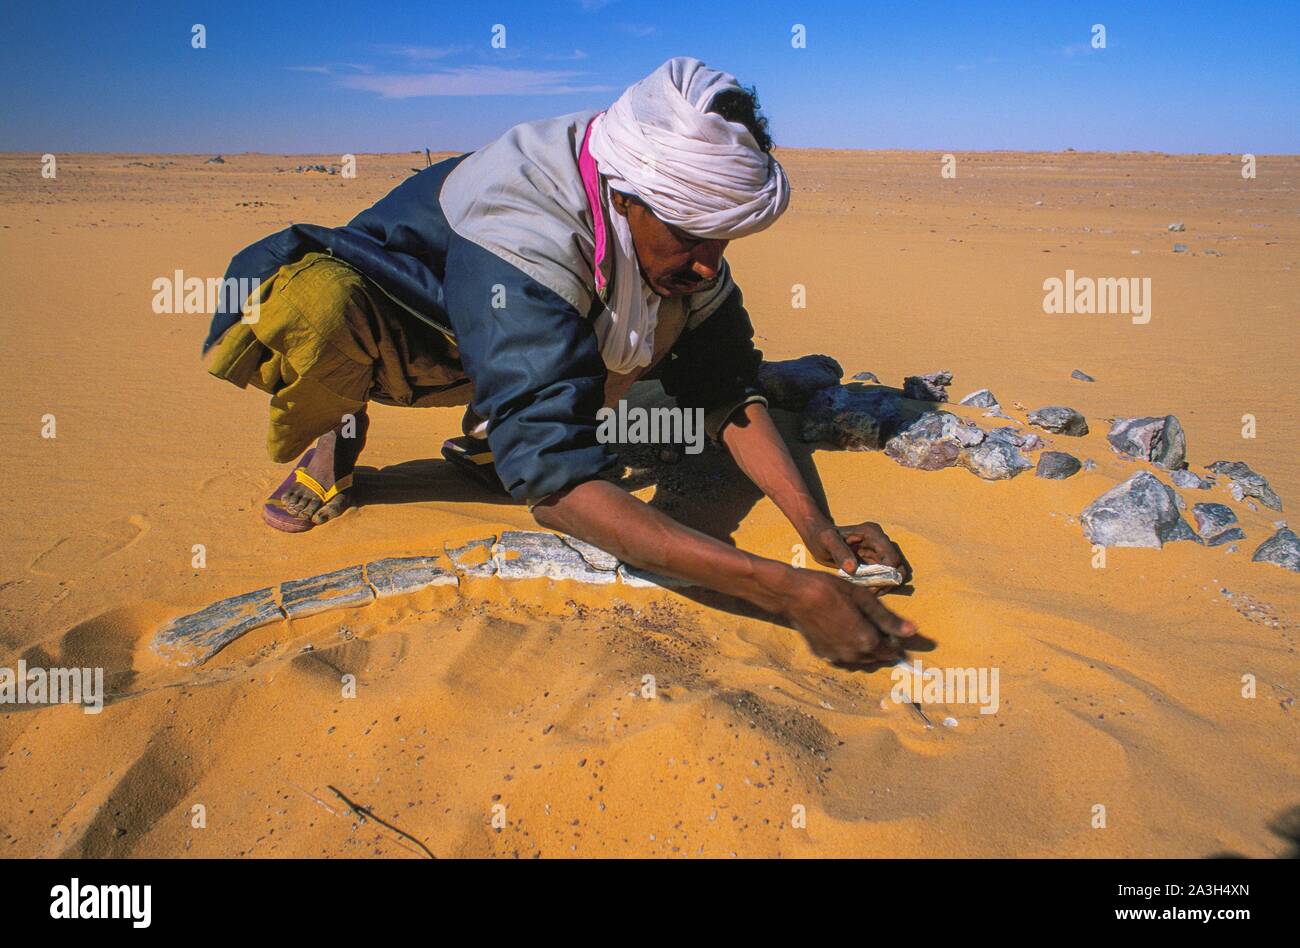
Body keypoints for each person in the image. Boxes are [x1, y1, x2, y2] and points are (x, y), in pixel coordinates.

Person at [203, 57, 915, 665]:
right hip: (410, 316)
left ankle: (498, 434)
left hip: (513, 320)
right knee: (318, 307)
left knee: (656, 319)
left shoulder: (671, 231)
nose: (707, 264)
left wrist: (814, 529)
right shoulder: (524, 226)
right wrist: (782, 590)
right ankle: (341, 430)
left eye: (721, 241)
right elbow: (559, 487)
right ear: (628, 194)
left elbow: (727, 390)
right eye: (690, 236)